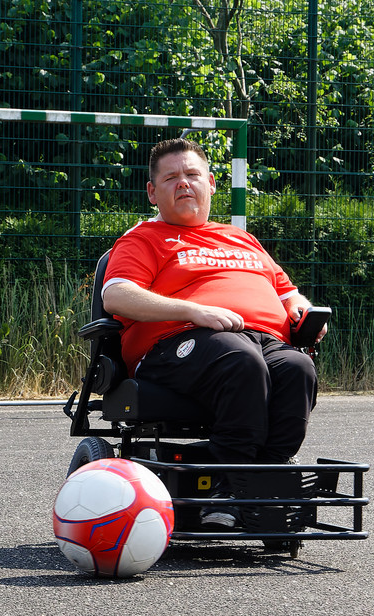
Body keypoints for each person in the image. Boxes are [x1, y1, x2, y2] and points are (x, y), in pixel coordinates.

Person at [101, 137, 324, 528]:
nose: (184, 183)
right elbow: (117, 295)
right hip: (179, 343)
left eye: (192, 174)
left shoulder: (242, 239)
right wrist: (194, 311)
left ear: (212, 183)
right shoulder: (143, 239)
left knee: (296, 368)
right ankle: (227, 487)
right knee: (240, 361)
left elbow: (289, 293)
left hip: (263, 340)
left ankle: (260, 484)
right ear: (153, 193)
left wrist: (302, 312)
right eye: (171, 178)